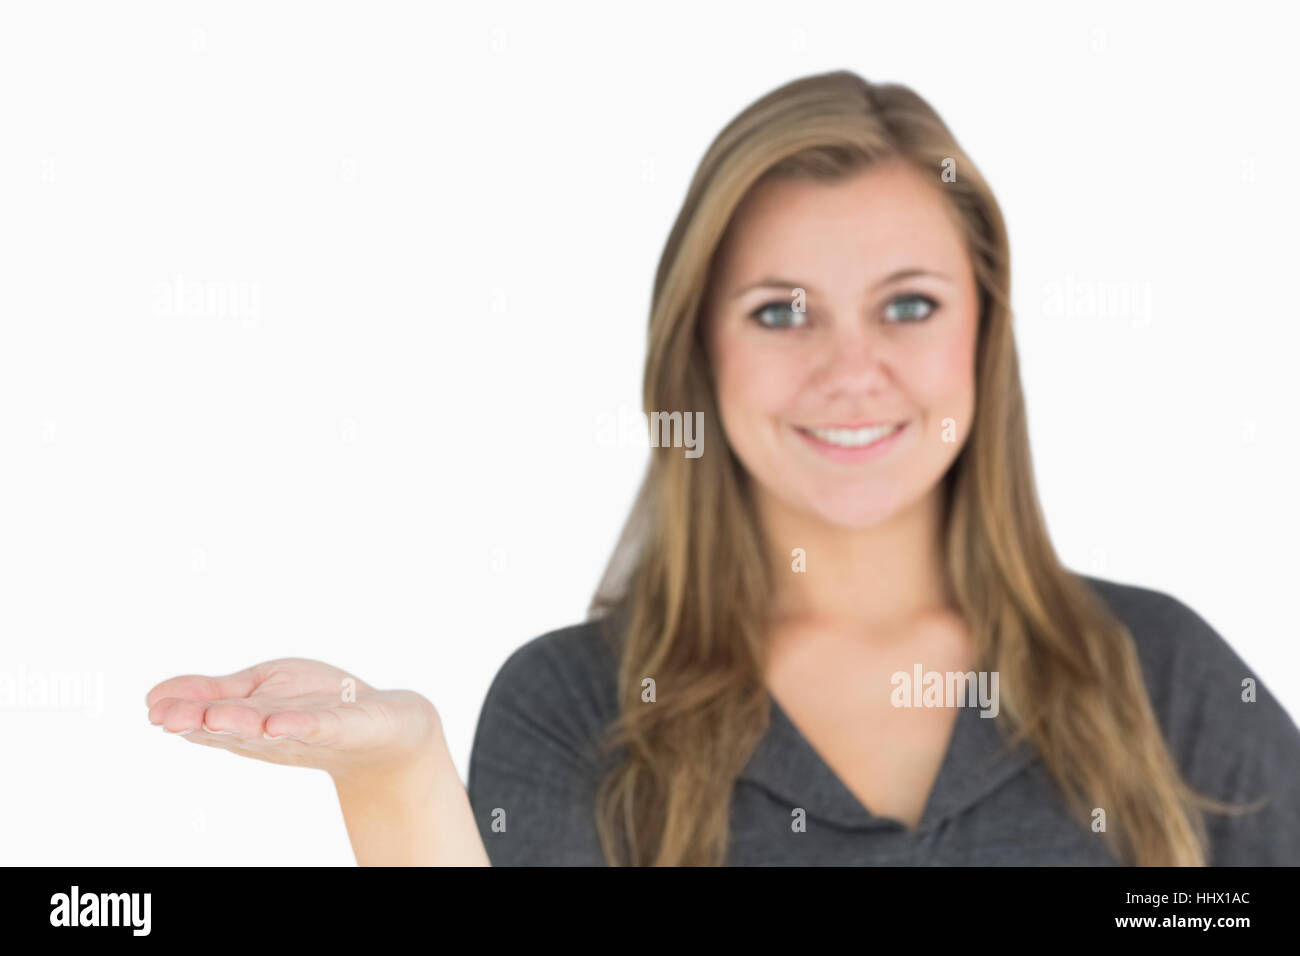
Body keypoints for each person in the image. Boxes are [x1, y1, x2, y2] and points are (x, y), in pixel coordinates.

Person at [144, 69, 1300, 866]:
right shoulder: (572, 712)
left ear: (983, 338)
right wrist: (395, 775)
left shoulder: (1162, 678)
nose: (852, 369)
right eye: (780, 311)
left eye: (908, 304)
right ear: (698, 348)